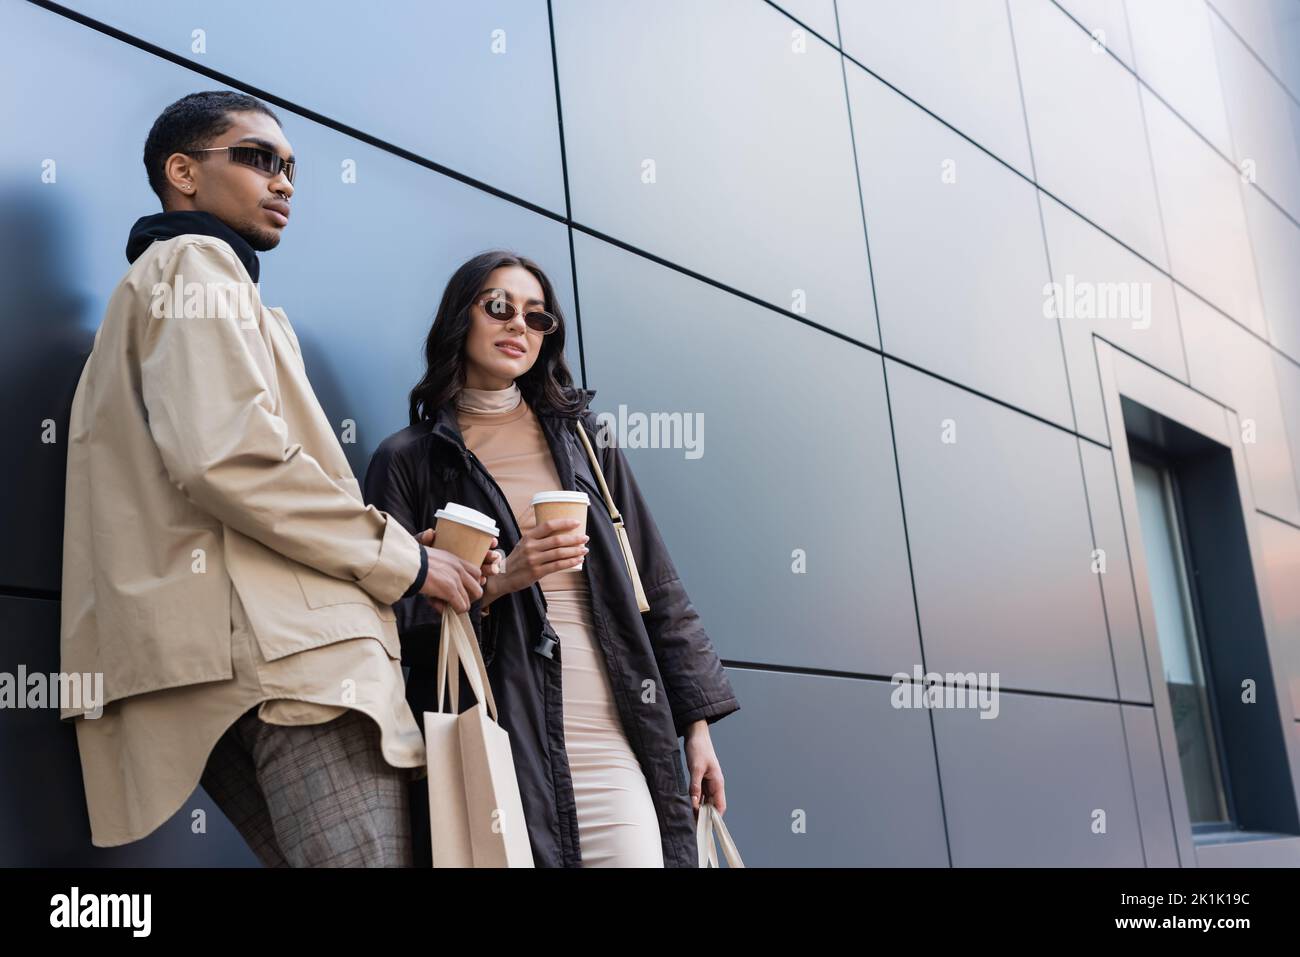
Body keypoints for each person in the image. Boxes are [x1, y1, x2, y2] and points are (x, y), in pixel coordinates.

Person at [58, 91, 498, 867]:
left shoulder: (159, 292)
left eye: (292, 166)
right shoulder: (198, 264)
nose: (285, 181)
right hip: (293, 662)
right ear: (183, 172)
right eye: (260, 158)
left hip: (225, 657)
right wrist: (408, 561)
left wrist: (393, 549)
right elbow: (230, 458)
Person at [364, 250, 740, 867]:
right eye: (499, 308)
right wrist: (502, 579)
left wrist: (696, 729)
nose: (519, 326)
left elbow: (657, 584)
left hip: (612, 728)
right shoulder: (409, 459)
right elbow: (389, 622)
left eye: (537, 318)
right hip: (499, 732)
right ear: (462, 317)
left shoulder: (585, 442)